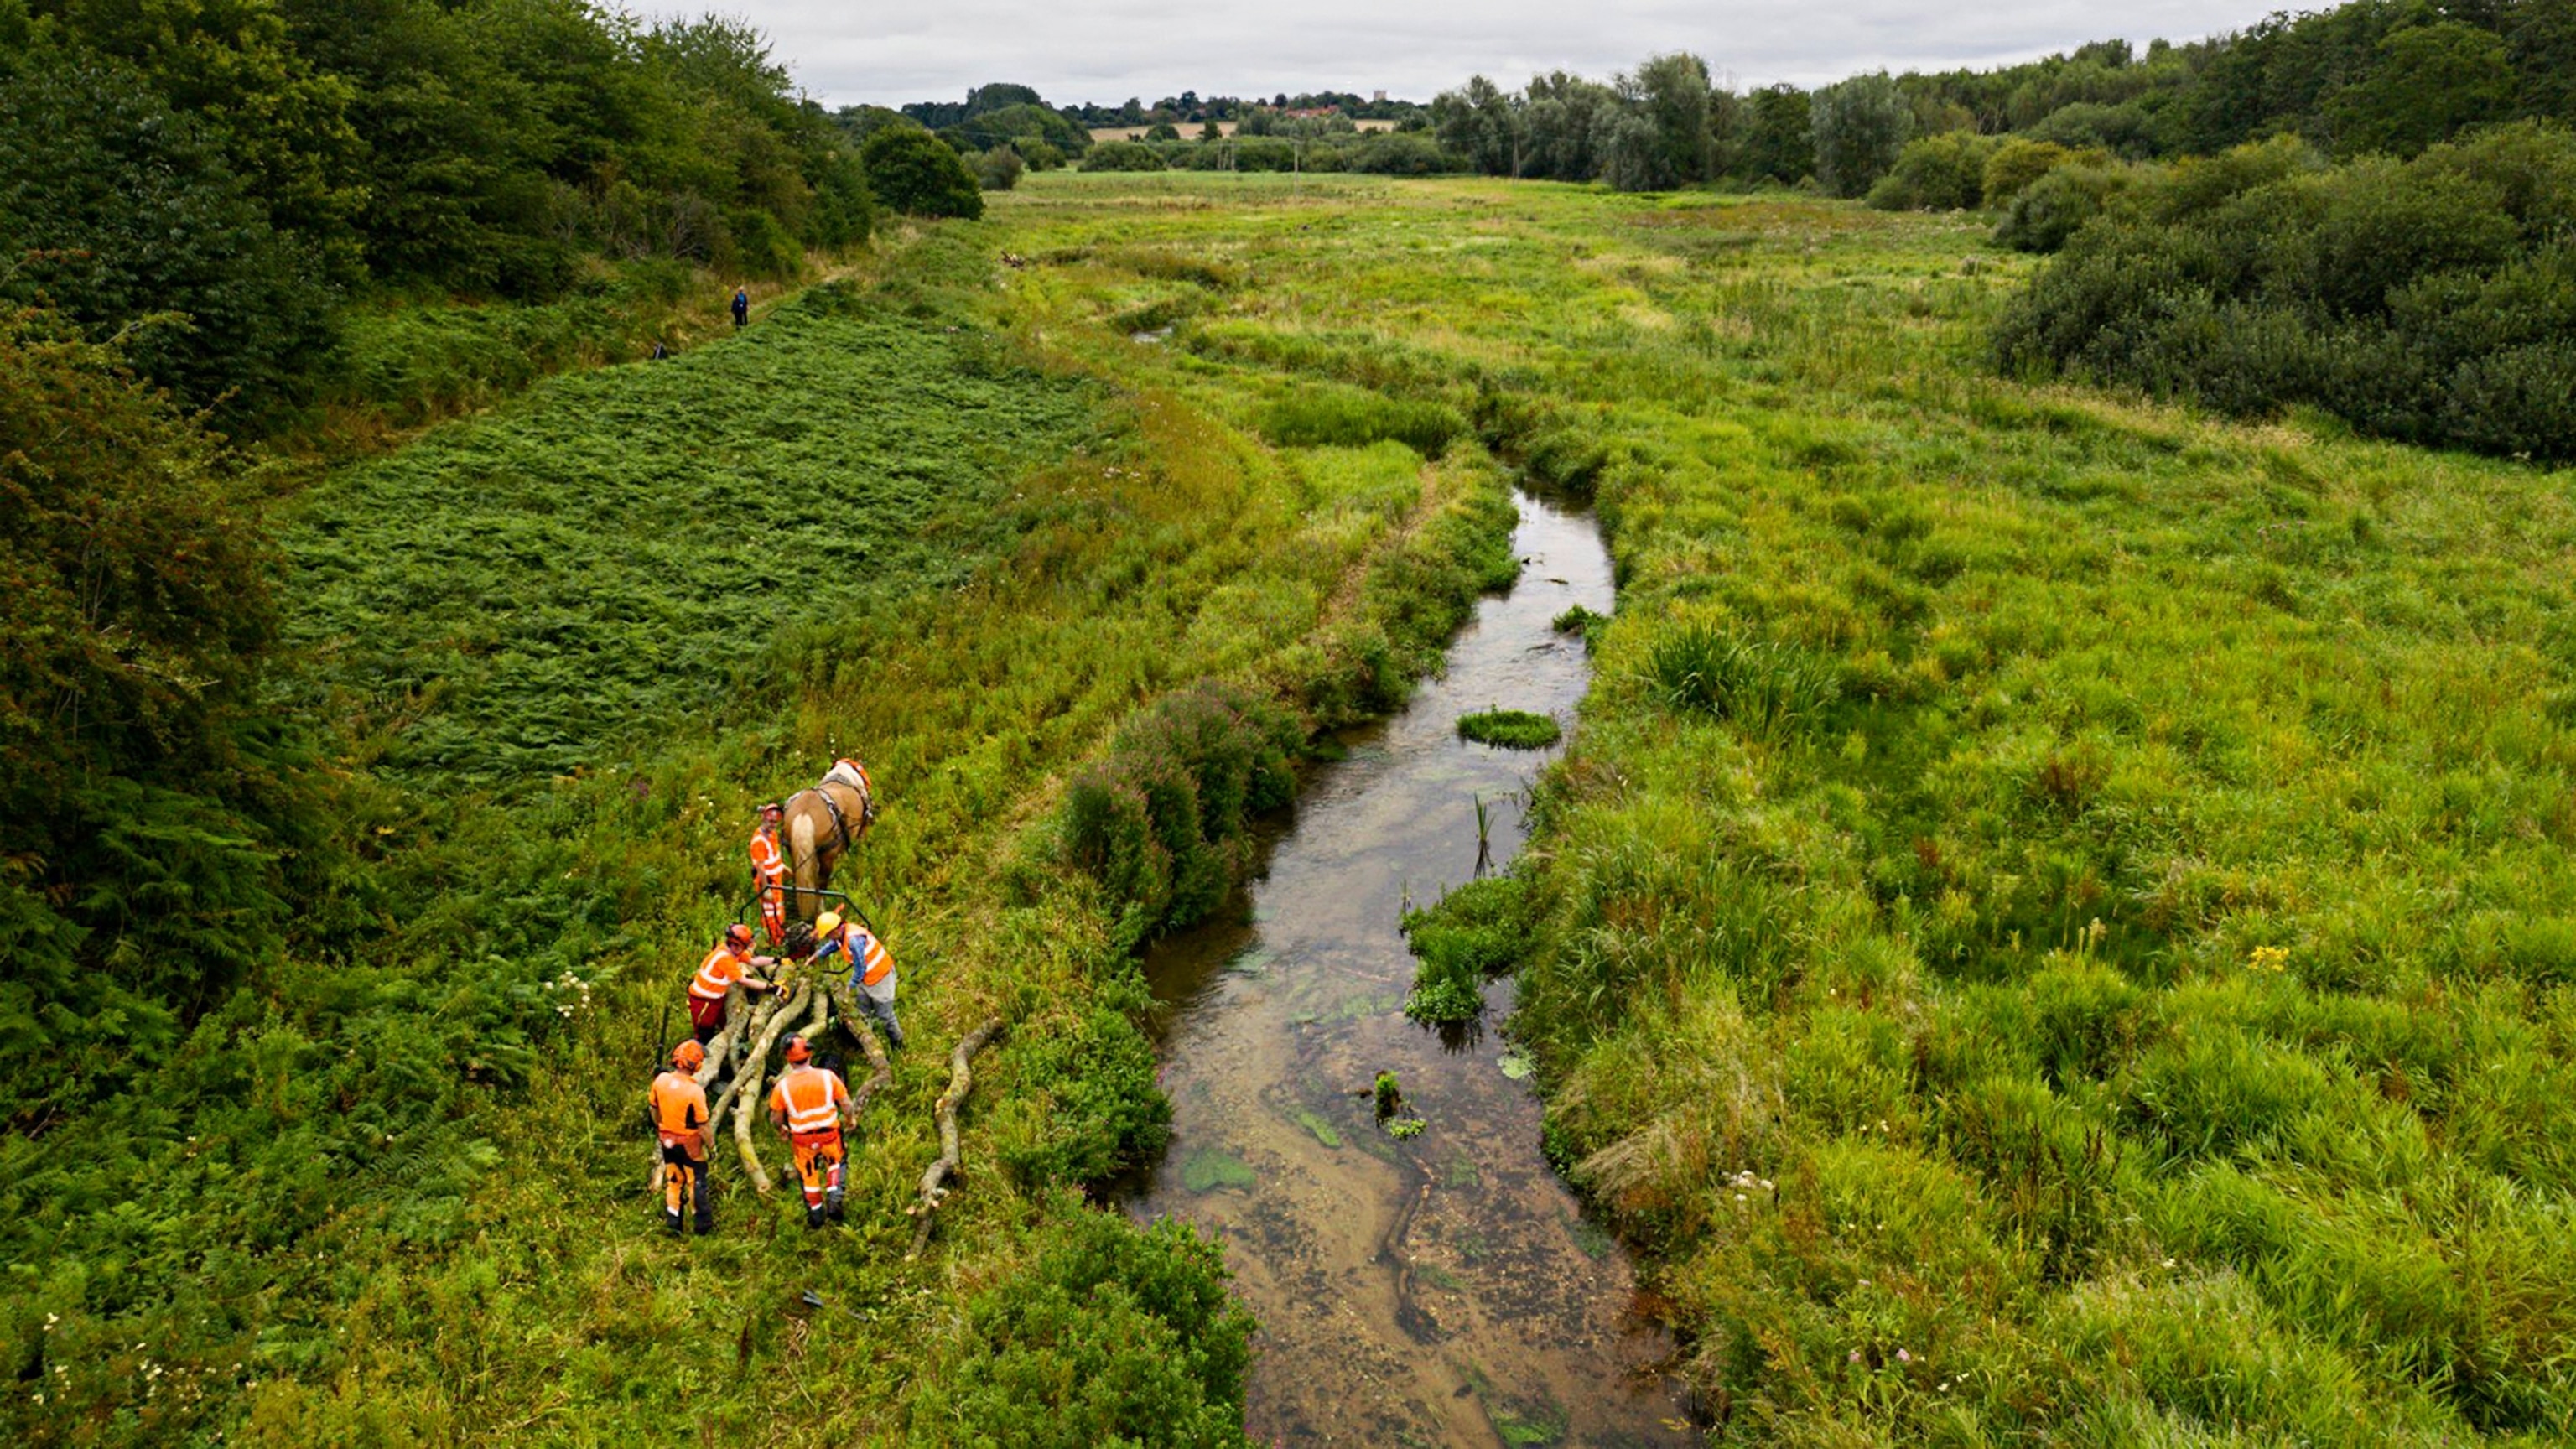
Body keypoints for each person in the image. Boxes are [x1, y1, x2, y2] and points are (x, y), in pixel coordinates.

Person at [767, 1035, 854, 1228]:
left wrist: (781, 1128)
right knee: (836, 1162)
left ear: (787, 1058)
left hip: (803, 1141)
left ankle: (816, 1216)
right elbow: (846, 1104)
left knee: (808, 1175)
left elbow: (775, 1118)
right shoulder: (827, 1077)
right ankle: (834, 1193)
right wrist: (850, 1119)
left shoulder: (783, 1087)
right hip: (830, 1134)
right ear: (810, 1053)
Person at [651, 1041, 716, 1235]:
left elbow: (654, 1109)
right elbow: (703, 1126)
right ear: (696, 1065)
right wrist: (712, 1147)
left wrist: (661, 1127)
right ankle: (702, 1226)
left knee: (673, 1179)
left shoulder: (660, 1081)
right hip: (689, 1143)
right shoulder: (695, 1092)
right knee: (695, 1181)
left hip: (667, 1139)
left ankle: (673, 1223)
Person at [813, 910, 901, 1049]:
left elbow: (861, 967)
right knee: (863, 1010)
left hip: (880, 977)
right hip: (865, 978)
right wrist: (817, 955)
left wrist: (851, 985)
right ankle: (866, 1039)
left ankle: (897, 1044)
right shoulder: (840, 935)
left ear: (837, 928)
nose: (829, 938)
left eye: (829, 934)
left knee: (885, 1016)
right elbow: (834, 945)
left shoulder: (854, 940)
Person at [688, 923, 776, 1044]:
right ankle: (701, 1050)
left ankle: (725, 1045)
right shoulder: (725, 958)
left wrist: (776, 960)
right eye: (741, 947)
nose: (742, 950)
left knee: (724, 1023)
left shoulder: (735, 951)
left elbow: (754, 961)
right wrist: (769, 987)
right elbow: (743, 980)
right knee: (705, 1029)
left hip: (717, 998)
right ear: (734, 944)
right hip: (703, 1000)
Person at [748, 801, 788, 945]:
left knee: (779, 909)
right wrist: (765, 889)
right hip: (768, 882)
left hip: (777, 880)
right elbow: (760, 867)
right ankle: (772, 939)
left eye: (776, 822)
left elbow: (774, 855)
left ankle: (779, 935)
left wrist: (783, 867)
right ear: (763, 818)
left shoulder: (772, 834)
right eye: (771, 821)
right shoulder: (758, 840)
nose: (773, 825)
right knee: (770, 912)